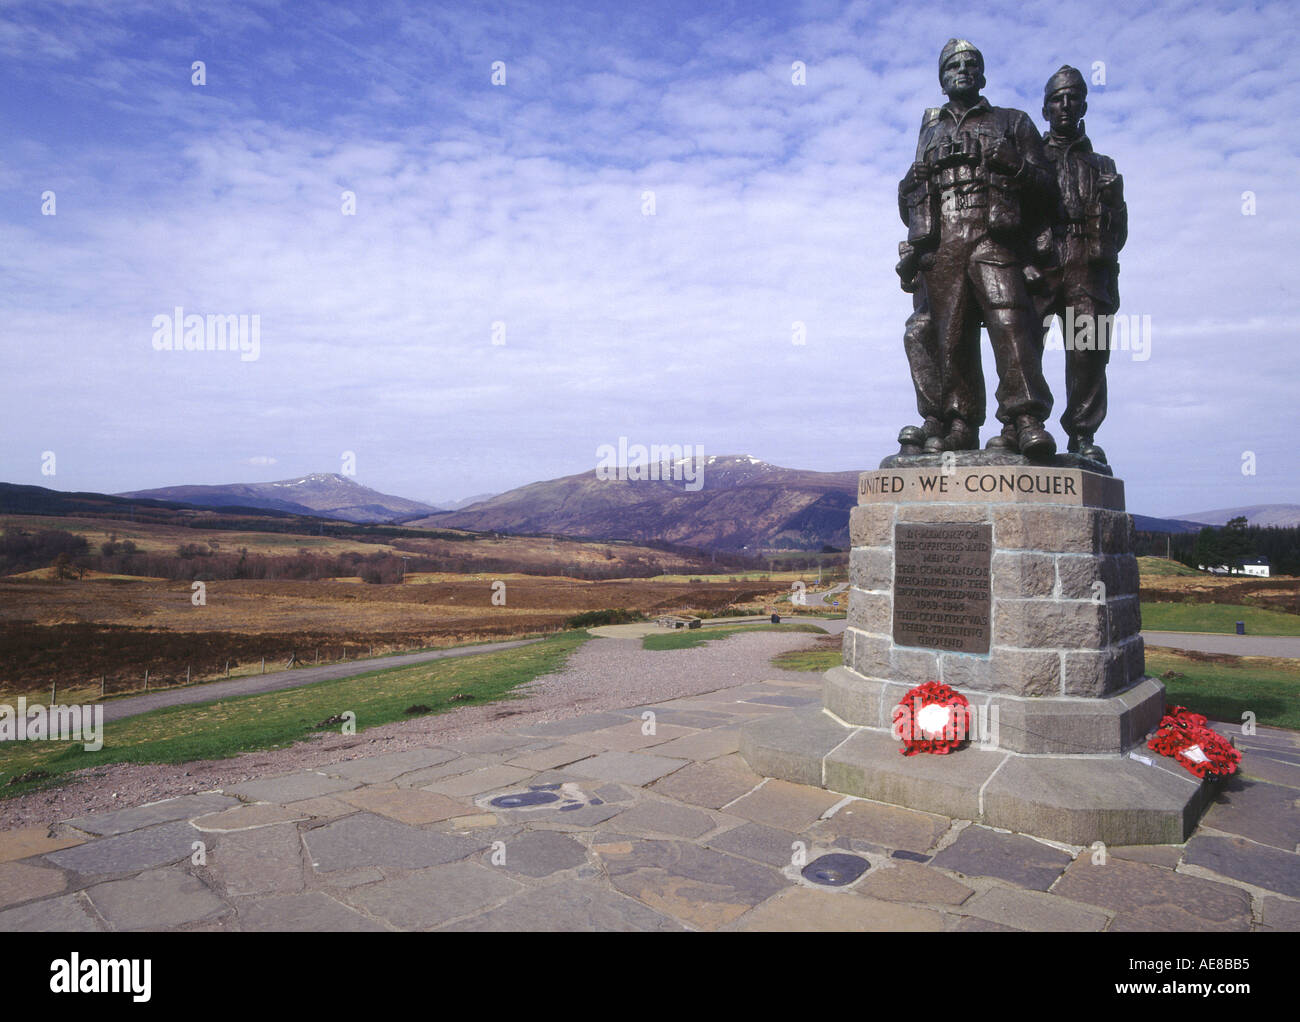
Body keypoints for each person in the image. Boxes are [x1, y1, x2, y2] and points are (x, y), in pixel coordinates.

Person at [897, 39, 1058, 458]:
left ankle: (1025, 419)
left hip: (993, 236)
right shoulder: (930, 132)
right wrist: (911, 180)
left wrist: (1016, 165)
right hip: (943, 242)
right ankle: (959, 423)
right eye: (953, 65)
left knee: (1010, 321)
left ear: (982, 75)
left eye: (971, 64)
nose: (963, 70)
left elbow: (1048, 190)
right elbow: (906, 206)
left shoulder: (1013, 121)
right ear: (942, 77)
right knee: (950, 336)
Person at [1036, 65, 1127, 464]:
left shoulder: (1103, 165)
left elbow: (1121, 236)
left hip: (1089, 264)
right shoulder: (1032, 157)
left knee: (1088, 350)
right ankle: (1025, 424)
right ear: (1045, 109)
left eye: (1073, 98)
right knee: (1023, 344)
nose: (1066, 105)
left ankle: (1083, 433)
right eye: (1058, 98)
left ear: (1084, 105)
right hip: (1042, 260)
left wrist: (1116, 201)